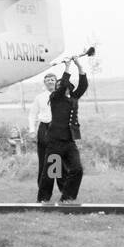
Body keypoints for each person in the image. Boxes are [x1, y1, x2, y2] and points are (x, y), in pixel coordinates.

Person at [46, 58, 89, 204]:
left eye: (61, 85)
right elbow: (63, 83)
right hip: (55, 142)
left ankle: (67, 197)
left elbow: (83, 85)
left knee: (77, 169)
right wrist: (67, 67)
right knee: (53, 173)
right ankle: (44, 198)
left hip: (69, 141)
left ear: (69, 88)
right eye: (57, 86)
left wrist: (78, 65)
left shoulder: (73, 98)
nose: (59, 87)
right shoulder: (55, 97)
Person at [28, 70, 58, 203]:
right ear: (44, 83)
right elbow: (32, 114)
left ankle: (63, 191)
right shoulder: (39, 97)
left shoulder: (62, 96)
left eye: (53, 79)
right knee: (44, 159)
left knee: (56, 159)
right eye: (48, 80)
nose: (50, 81)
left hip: (58, 129)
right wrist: (32, 130)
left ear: (56, 82)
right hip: (44, 128)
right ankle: (43, 191)